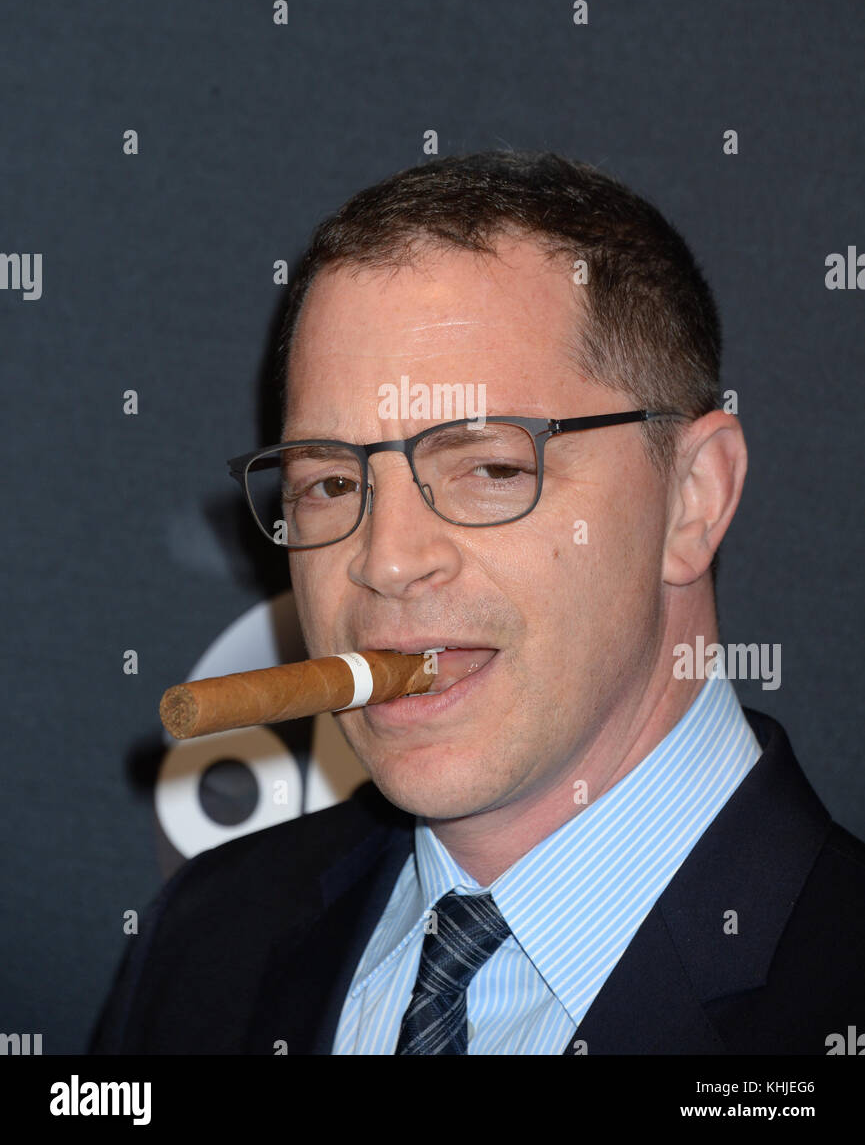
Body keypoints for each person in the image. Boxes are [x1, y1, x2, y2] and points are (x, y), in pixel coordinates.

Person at [90, 150, 865, 1055]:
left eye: (490, 467)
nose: (386, 562)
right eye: (331, 483)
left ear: (692, 497)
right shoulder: (203, 945)